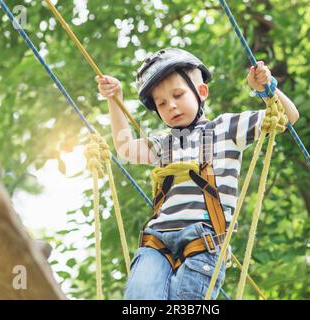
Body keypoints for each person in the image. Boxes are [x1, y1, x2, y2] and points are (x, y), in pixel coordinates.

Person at [95, 48, 299, 300]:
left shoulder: (226, 128)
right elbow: (125, 148)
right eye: (161, 103)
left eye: (178, 95)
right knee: (139, 297)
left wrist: (267, 89)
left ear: (201, 92)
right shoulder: (164, 144)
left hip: (202, 242)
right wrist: (115, 102)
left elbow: (287, 116)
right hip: (157, 241)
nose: (171, 106)